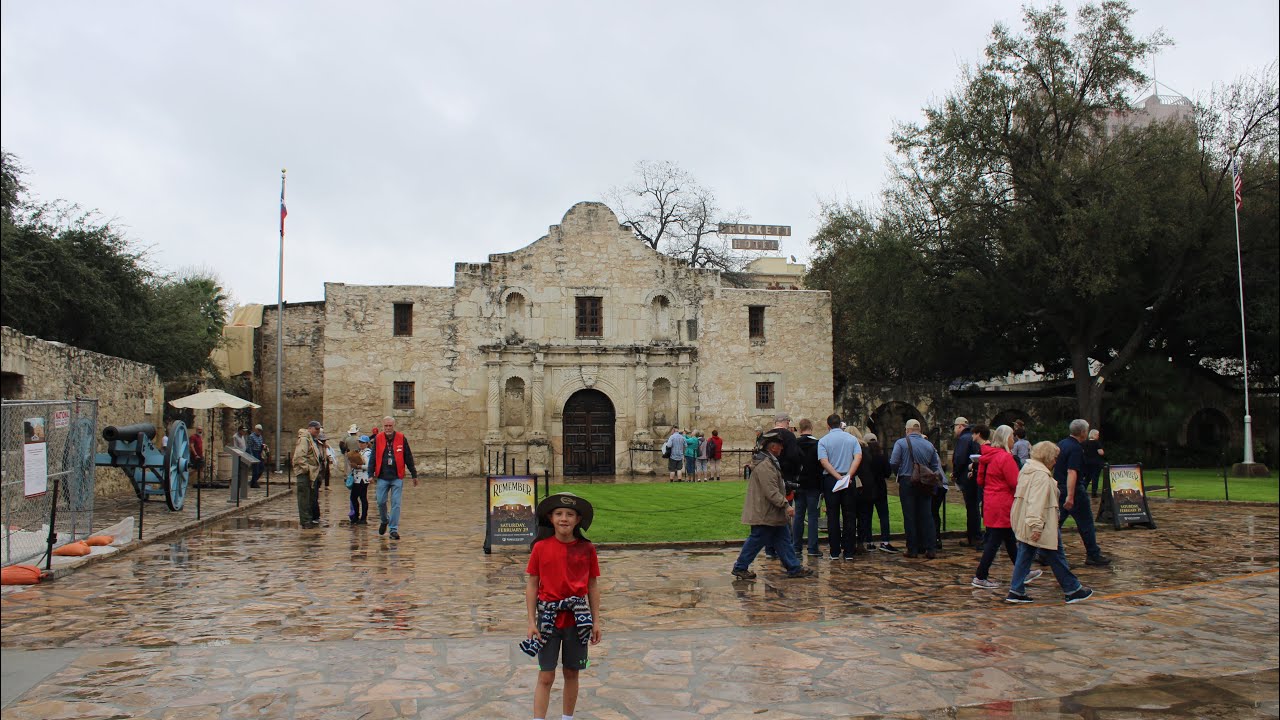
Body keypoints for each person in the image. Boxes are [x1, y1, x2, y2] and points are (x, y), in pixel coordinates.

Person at [523, 492, 602, 720]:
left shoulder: (587, 549)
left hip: (577, 620)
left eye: (570, 514)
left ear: (578, 520)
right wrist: (531, 622)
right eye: (558, 514)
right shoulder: (540, 548)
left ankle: (567, 718)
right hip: (548, 619)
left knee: (571, 672)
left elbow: (592, 585)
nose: (564, 518)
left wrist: (596, 621)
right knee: (545, 675)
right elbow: (532, 585)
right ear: (550, 518)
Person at [1007, 441, 1094, 604]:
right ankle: (1072, 589)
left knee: (1026, 554)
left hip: (1029, 521)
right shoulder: (1041, 475)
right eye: (1054, 457)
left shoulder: (1027, 470)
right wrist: (1036, 526)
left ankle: (1016, 590)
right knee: (1055, 553)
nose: (1055, 461)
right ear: (1047, 457)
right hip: (1042, 522)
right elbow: (1036, 502)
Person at [730, 431, 815, 579]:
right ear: (773, 447)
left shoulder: (769, 462)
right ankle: (740, 566)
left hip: (770, 512)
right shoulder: (765, 465)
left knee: (782, 539)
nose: (782, 448)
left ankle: (794, 567)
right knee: (757, 538)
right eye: (780, 446)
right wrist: (786, 505)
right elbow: (771, 491)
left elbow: (773, 485)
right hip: (765, 511)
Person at [972, 425, 1042, 589]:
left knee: (1008, 539)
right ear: (1006, 439)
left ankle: (1023, 571)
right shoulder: (1005, 458)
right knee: (995, 541)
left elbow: (980, 481)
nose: (1013, 440)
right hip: (1003, 503)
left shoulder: (986, 456)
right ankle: (980, 576)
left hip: (991, 501)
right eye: (1011, 437)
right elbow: (1014, 482)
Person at [1052, 419, 1112, 566]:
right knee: (1086, 523)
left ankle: (1044, 552)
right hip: (1073, 490)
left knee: (1055, 522)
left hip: (1059, 486)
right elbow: (1072, 472)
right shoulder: (1076, 448)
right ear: (1084, 432)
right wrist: (1071, 496)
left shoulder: (1062, 444)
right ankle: (1093, 554)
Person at [890, 419, 944, 559]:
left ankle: (912, 548)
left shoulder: (901, 443)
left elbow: (894, 462)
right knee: (926, 515)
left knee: (910, 516)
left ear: (907, 430)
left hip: (907, 480)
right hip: (925, 482)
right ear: (919, 430)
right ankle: (930, 548)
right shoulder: (929, 445)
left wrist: (899, 474)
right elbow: (934, 466)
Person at [818, 413, 862, 561]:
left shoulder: (824, 441)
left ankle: (834, 551)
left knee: (833, 516)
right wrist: (848, 475)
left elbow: (824, 462)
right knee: (850, 515)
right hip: (848, 478)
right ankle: (849, 551)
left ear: (828, 425)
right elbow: (858, 457)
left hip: (832, 479)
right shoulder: (852, 439)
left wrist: (837, 477)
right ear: (840, 424)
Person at [369, 416, 418, 540]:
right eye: (386, 426)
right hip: (382, 476)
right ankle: (385, 520)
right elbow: (373, 457)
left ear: (393, 426)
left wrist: (414, 474)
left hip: (397, 476)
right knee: (381, 502)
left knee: (396, 503)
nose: (388, 428)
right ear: (383, 426)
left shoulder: (401, 438)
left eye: (390, 425)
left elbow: (408, 456)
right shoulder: (378, 438)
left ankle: (393, 529)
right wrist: (370, 474)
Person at [857, 434, 897, 552]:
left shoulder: (864, 456)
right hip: (880, 489)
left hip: (868, 489)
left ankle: (869, 542)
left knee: (867, 516)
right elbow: (887, 473)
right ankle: (885, 541)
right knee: (883, 516)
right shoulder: (881, 456)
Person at [793, 419, 825, 558]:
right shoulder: (818, 444)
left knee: (798, 516)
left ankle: (796, 547)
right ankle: (812, 548)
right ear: (811, 427)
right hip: (814, 484)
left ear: (800, 429)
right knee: (813, 517)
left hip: (799, 484)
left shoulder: (795, 444)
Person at [951, 417, 983, 547]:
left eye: (954, 427)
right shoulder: (972, 437)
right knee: (974, 506)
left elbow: (960, 458)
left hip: (967, 477)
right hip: (974, 476)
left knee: (971, 507)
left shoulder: (964, 439)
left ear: (960, 426)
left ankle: (974, 536)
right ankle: (974, 535)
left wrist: (955, 473)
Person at [291, 420, 323, 528]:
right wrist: (307, 469)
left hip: (311, 473)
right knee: (304, 498)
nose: (318, 431)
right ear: (310, 428)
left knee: (310, 497)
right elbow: (300, 456)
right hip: (305, 473)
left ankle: (308, 519)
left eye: (319, 429)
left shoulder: (311, 439)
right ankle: (305, 520)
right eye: (316, 429)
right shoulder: (304, 439)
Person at [347, 435, 371, 525]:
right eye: (360, 442)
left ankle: (363, 518)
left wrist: (358, 466)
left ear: (367, 444)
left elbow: (369, 466)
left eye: (363, 442)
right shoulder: (359, 452)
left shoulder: (368, 453)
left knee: (362, 498)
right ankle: (356, 516)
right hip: (357, 478)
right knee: (354, 497)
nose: (361, 444)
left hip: (363, 478)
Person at [1083, 429, 1105, 498]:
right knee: (1095, 478)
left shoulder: (1084, 442)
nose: (1098, 436)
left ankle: (1082, 491)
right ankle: (1094, 493)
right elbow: (1101, 452)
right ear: (1095, 435)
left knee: (1087, 478)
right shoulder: (1097, 443)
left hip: (1086, 463)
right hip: (1096, 463)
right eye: (1098, 435)